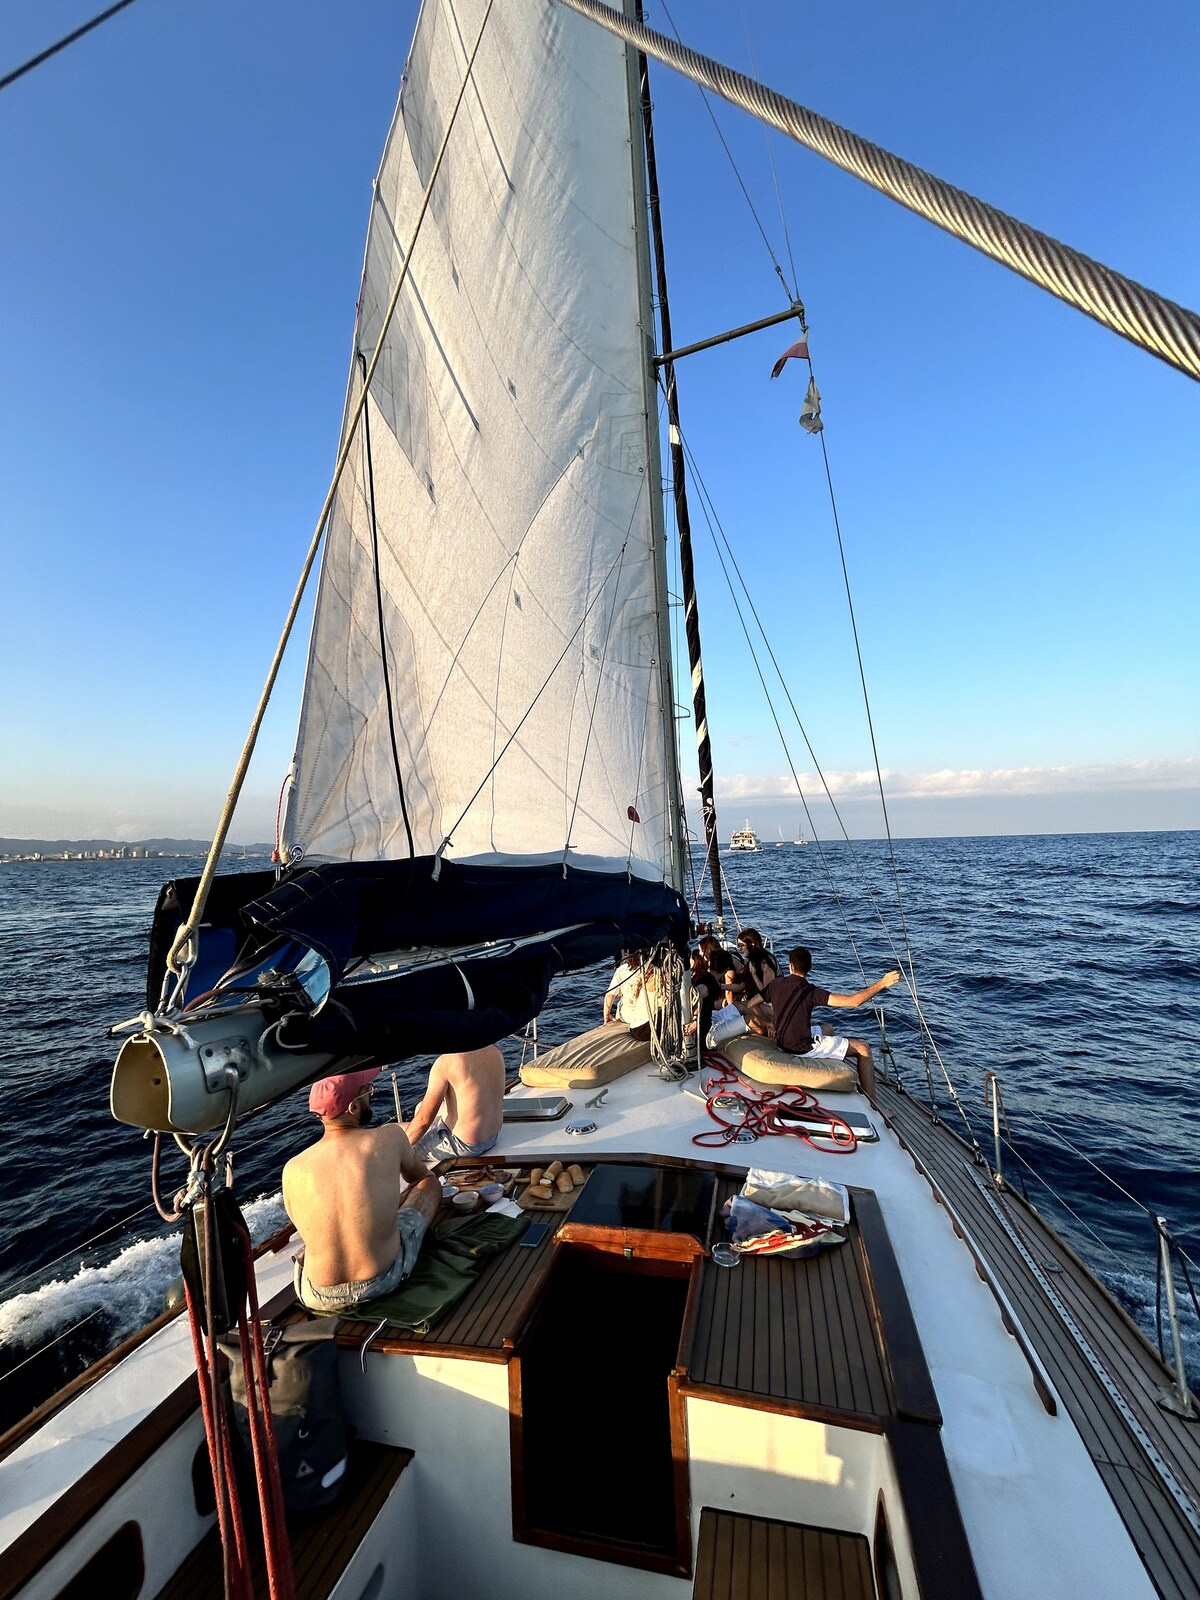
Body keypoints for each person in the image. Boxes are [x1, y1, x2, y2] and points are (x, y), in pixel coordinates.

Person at [282, 1067, 440, 1315]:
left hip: (315, 1294)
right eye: (367, 1091)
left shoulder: (292, 1168)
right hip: (382, 1280)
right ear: (353, 1108)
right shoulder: (389, 1137)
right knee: (429, 1184)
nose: (371, 1095)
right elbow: (420, 1177)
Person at [762, 947, 901, 1101]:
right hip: (800, 1048)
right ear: (810, 968)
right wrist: (882, 983)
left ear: (790, 966)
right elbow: (853, 1002)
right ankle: (874, 1105)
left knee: (828, 1028)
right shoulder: (811, 991)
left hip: (783, 1043)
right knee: (863, 1049)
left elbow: (752, 1004)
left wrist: (769, 1022)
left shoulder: (776, 984)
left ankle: (831, 1061)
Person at [405, 1044, 506, 1160]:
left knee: (392, 1130)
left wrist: (401, 1148)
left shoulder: (445, 1063)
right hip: (492, 1137)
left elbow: (423, 1121)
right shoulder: (495, 1051)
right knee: (419, 1107)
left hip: (464, 1145)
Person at [684, 946, 723, 1047]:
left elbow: (698, 994)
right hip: (701, 1027)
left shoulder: (706, 979)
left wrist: (696, 1022)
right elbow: (698, 994)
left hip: (700, 1028)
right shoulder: (709, 980)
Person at [735, 928, 779, 1011]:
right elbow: (742, 985)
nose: (740, 949)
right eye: (738, 945)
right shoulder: (753, 960)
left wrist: (754, 976)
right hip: (756, 1001)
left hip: (769, 1005)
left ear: (751, 944)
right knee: (734, 1005)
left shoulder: (765, 962)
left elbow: (767, 993)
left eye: (742, 945)